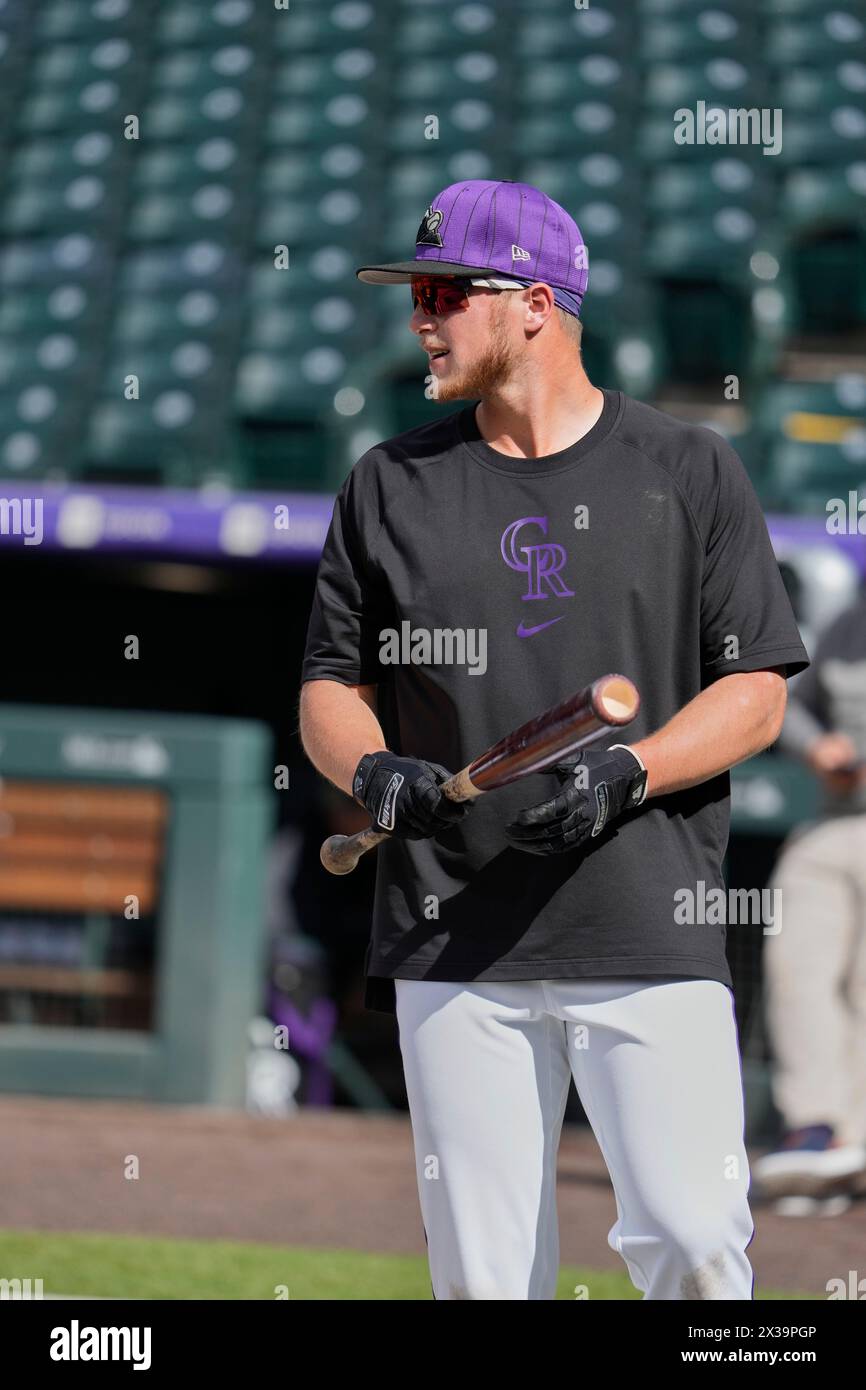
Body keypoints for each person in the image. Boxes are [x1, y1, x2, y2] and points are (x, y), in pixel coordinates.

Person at [298, 180, 810, 1300]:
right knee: (486, 1282)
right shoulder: (387, 482)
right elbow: (330, 685)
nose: (418, 318)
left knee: (690, 1236)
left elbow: (756, 691)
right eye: (414, 295)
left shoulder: (687, 468)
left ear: (533, 303)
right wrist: (372, 767)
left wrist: (630, 769)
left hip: (644, 924)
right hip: (453, 938)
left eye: (442, 293)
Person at [753, 592, 866, 1197]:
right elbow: (792, 705)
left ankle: (854, 1137)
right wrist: (817, 746)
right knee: (797, 967)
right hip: (832, 818)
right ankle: (815, 1128)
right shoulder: (851, 620)